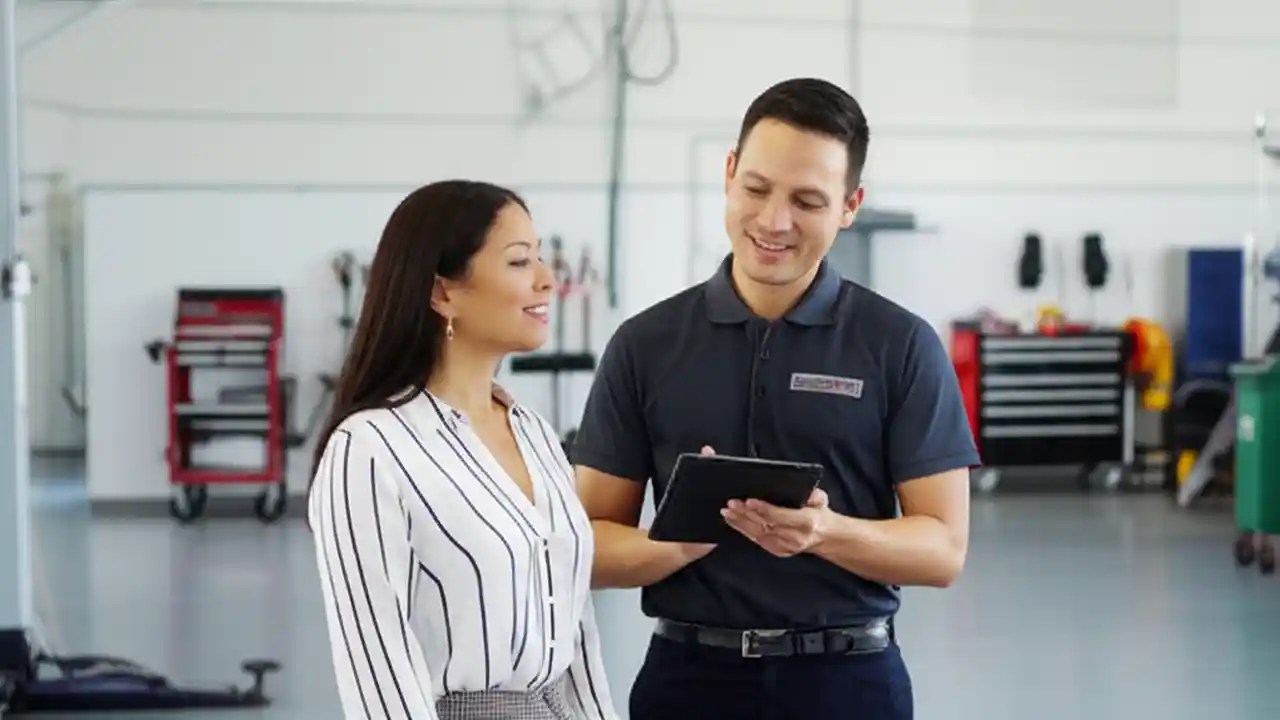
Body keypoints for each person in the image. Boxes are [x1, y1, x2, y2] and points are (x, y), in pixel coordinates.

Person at [571, 78, 981, 719]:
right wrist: (679, 543)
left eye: (808, 201)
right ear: (730, 173)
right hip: (687, 682)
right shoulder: (643, 345)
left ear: (851, 205)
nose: (773, 221)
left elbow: (942, 551)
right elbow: (586, 547)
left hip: (849, 685)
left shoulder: (900, 345)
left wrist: (822, 532)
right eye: (757, 189)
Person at [307, 180, 618, 720]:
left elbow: (577, 635)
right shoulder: (370, 450)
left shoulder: (535, 434)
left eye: (541, 259)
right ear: (443, 292)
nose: (548, 279)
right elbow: (378, 672)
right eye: (521, 262)